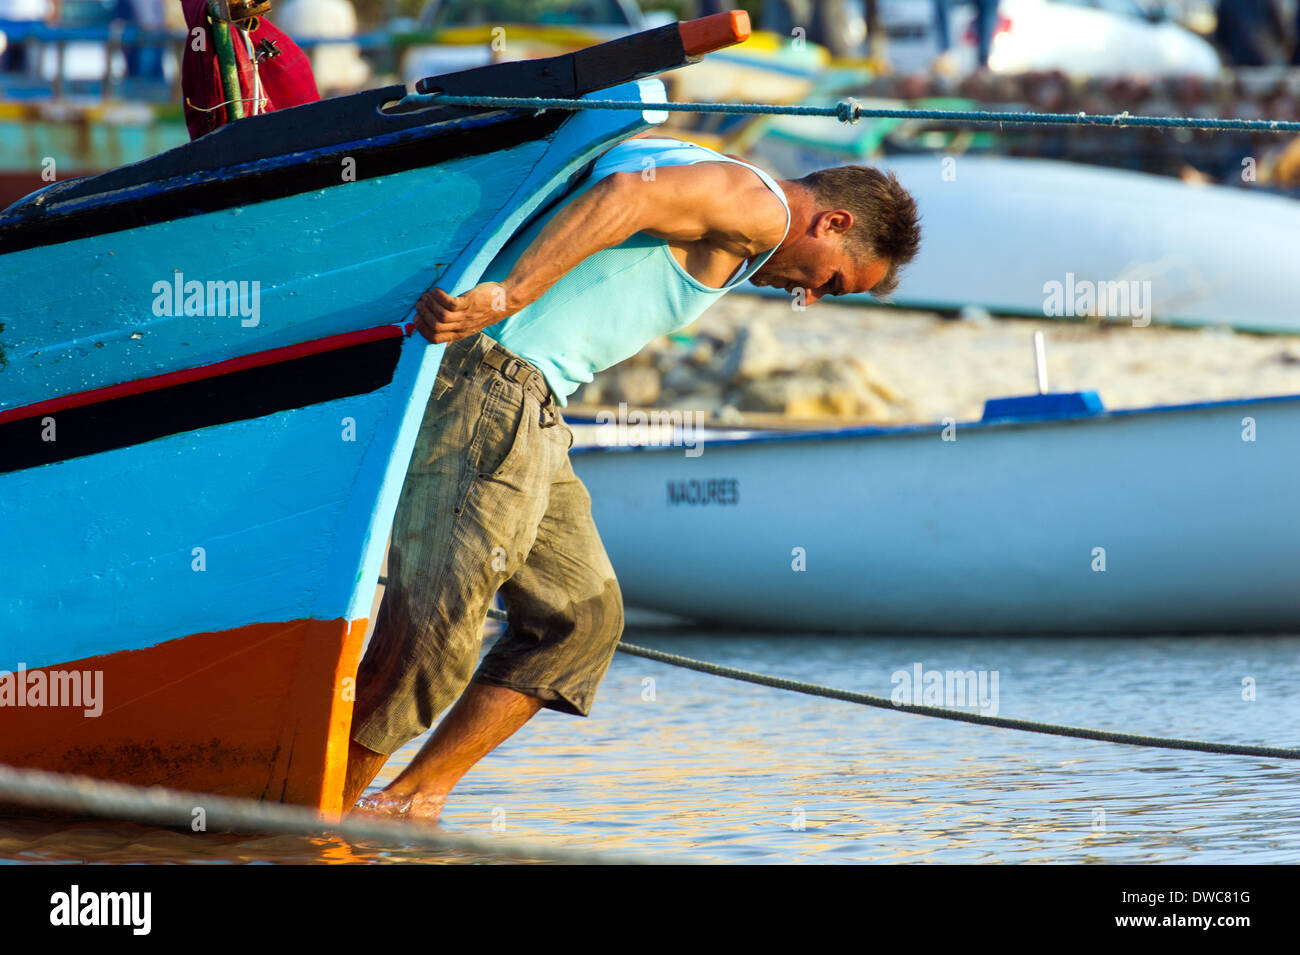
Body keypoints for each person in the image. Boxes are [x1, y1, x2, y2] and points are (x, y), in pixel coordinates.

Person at [344, 137, 922, 821]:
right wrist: (510, 293)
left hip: (531, 402)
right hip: (497, 381)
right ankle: (312, 813)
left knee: (583, 619)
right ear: (834, 223)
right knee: (432, 636)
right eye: (830, 281)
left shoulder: (690, 157)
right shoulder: (762, 209)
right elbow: (627, 197)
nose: (811, 296)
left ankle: (410, 799)